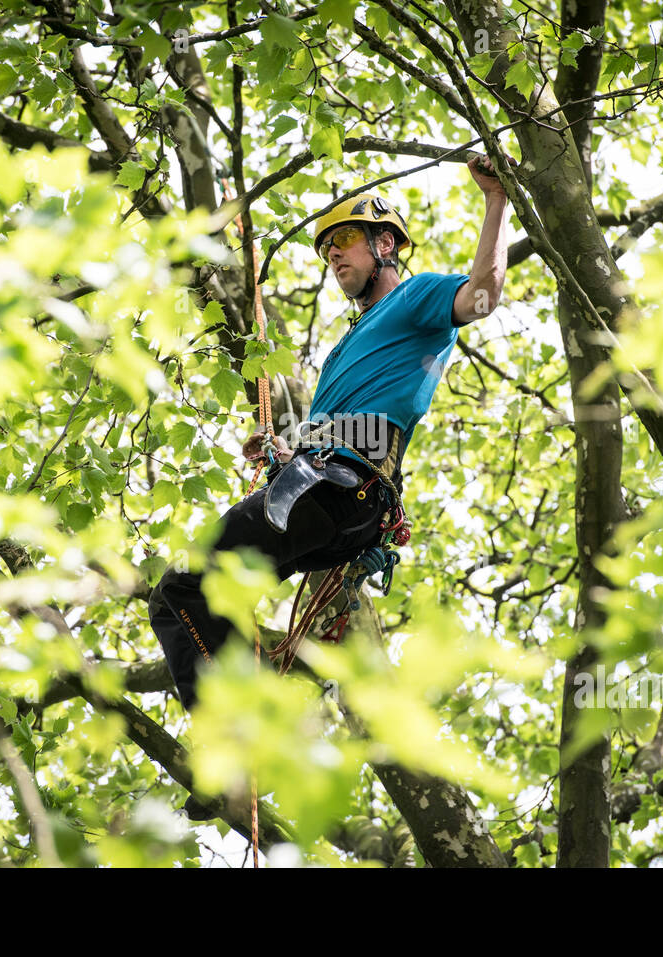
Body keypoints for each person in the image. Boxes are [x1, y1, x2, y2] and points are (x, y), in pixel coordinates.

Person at [148, 154, 509, 713]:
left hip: (340, 490)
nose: (333, 253)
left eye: (343, 238)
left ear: (384, 244)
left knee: (181, 588)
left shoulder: (414, 300)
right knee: (196, 595)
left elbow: (482, 297)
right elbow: (350, 424)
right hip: (331, 496)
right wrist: (287, 446)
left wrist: (496, 199)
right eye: (326, 248)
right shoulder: (350, 345)